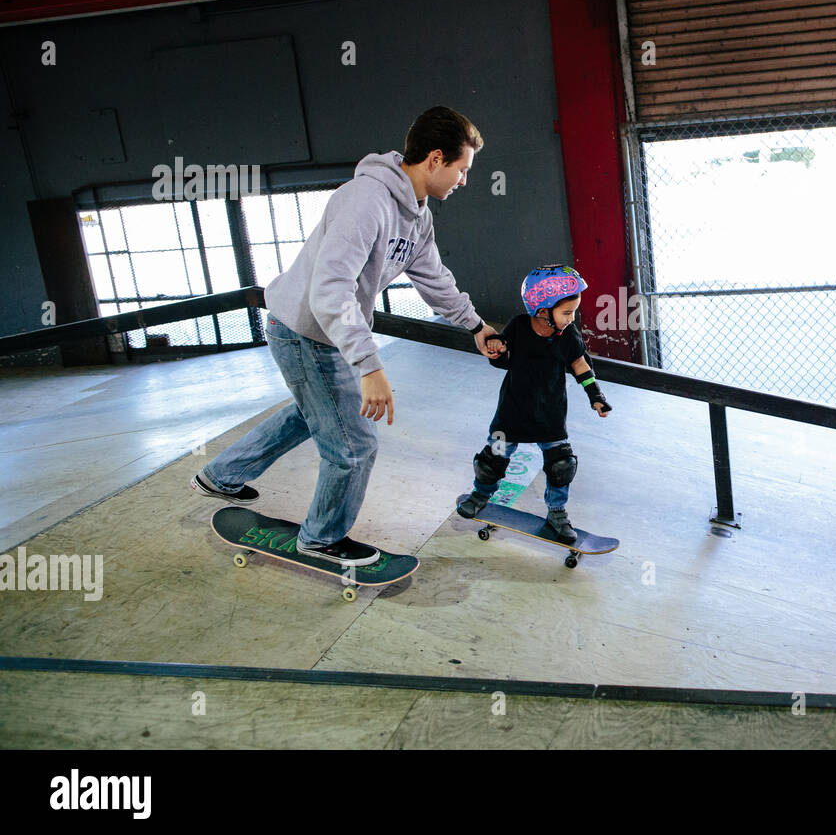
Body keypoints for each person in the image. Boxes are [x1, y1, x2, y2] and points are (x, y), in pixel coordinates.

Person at [191, 106, 498, 565]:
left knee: (312, 415)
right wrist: (370, 365)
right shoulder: (365, 201)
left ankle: (222, 474)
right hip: (303, 331)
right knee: (353, 446)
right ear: (436, 159)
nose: (464, 180)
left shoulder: (417, 215)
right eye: (462, 169)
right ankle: (322, 538)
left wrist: (475, 325)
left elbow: (434, 278)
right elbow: (329, 291)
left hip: (323, 333)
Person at [456, 265, 611, 543]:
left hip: (550, 416)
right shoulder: (518, 327)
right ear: (542, 311)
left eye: (573, 312)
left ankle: (557, 512)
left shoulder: (569, 336)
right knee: (492, 459)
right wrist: (496, 351)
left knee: (561, 465)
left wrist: (596, 396)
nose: (571, 318)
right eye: (566, 313)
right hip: (512, 414)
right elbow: (504, 361)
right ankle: (480, 494)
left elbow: (580, 364)